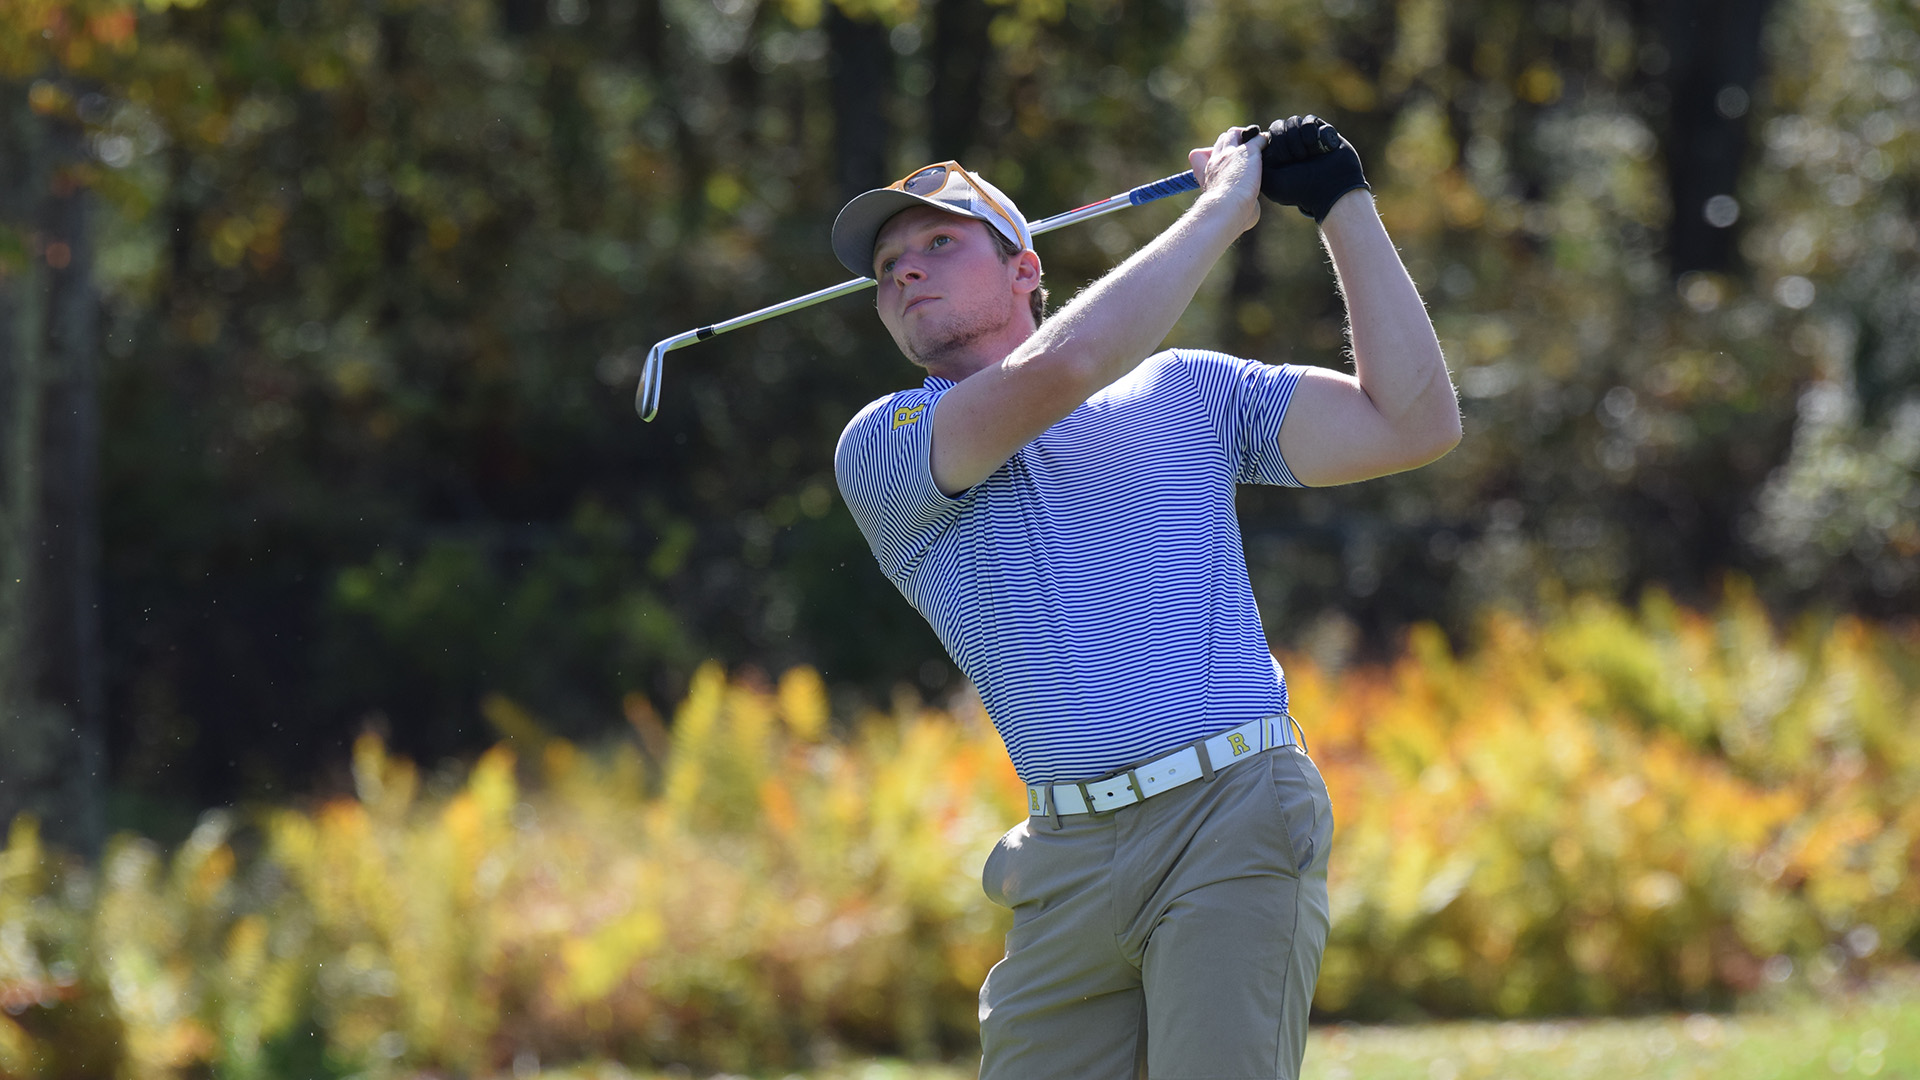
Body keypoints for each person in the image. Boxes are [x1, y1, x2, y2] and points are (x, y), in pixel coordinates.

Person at [831, 117, 1459, 1080]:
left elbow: (1411, 423)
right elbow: (1063, 370)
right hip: (1063, 859)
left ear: (1025, 271)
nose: (905, 273)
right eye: (886, 268)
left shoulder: (1187, 394)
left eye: (939, 243)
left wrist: (1342, 207)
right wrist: (1222, 211)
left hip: (1233, 815)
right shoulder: (885, 447)